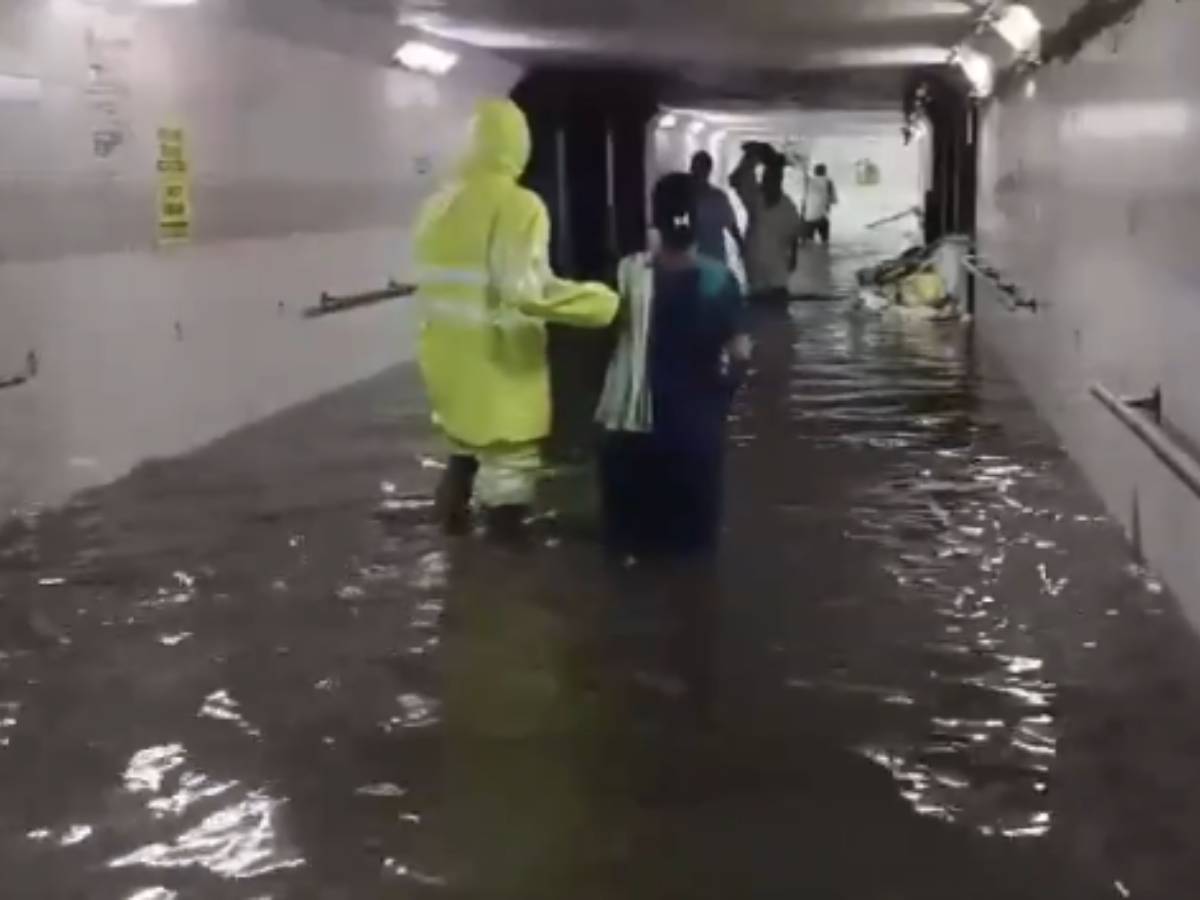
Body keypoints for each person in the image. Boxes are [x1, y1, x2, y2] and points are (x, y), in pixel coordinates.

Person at [413, 98, 619, 540]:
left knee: (461, 461)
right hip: (501, 371)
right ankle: (505, 591)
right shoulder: (520, 205)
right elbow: (522, 291)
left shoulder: (436, 207)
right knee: (509, 486)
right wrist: (598, 303)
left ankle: (455, 569)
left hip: (446, 366)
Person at [597, 172, 750, 557]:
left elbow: (603, 335)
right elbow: (740, 355)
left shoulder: (626, 274)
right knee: (693, 556)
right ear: (698, 223)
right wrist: (719, 402)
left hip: (630, 429)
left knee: (627, 553)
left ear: (655, 223)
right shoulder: (719, 280)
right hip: (694, 433)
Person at [729, 143, 804, 303]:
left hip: (773, 264)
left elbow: (794, 235)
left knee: (772, 303)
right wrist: (750, 158)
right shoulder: (757, 199)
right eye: (768, 178)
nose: (769, 182)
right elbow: (735, 179)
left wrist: (793, 257)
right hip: (758, 262)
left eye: (774, 178)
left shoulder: (784, 205)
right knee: (761, 303)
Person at [689, 151, 744, 266]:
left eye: (699, 168)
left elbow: (732, 225)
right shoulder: (684, 197)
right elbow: (732, 225)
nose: (695, 172)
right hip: (700, 258)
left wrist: (741, 246)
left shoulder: (718, 197)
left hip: (711, 258)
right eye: (695, 168)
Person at [802, 162, 838, 246]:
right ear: (825, 172)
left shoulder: (808, 181)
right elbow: (834, 200)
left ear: (815, 172)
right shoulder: (828, 182)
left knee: (807, 244)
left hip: (808, 218)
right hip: (822, 218)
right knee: (825, 243)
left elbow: (804, 199)